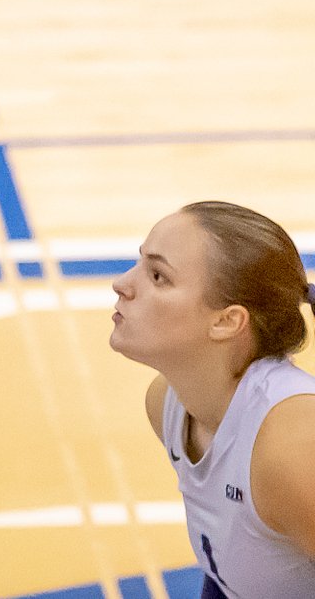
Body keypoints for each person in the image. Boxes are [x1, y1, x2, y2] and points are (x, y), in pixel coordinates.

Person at [110, 201, 315, 599]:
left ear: (226, 321)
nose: (122, 283)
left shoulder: (289, 447)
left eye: (158, 276)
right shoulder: (167, 402)